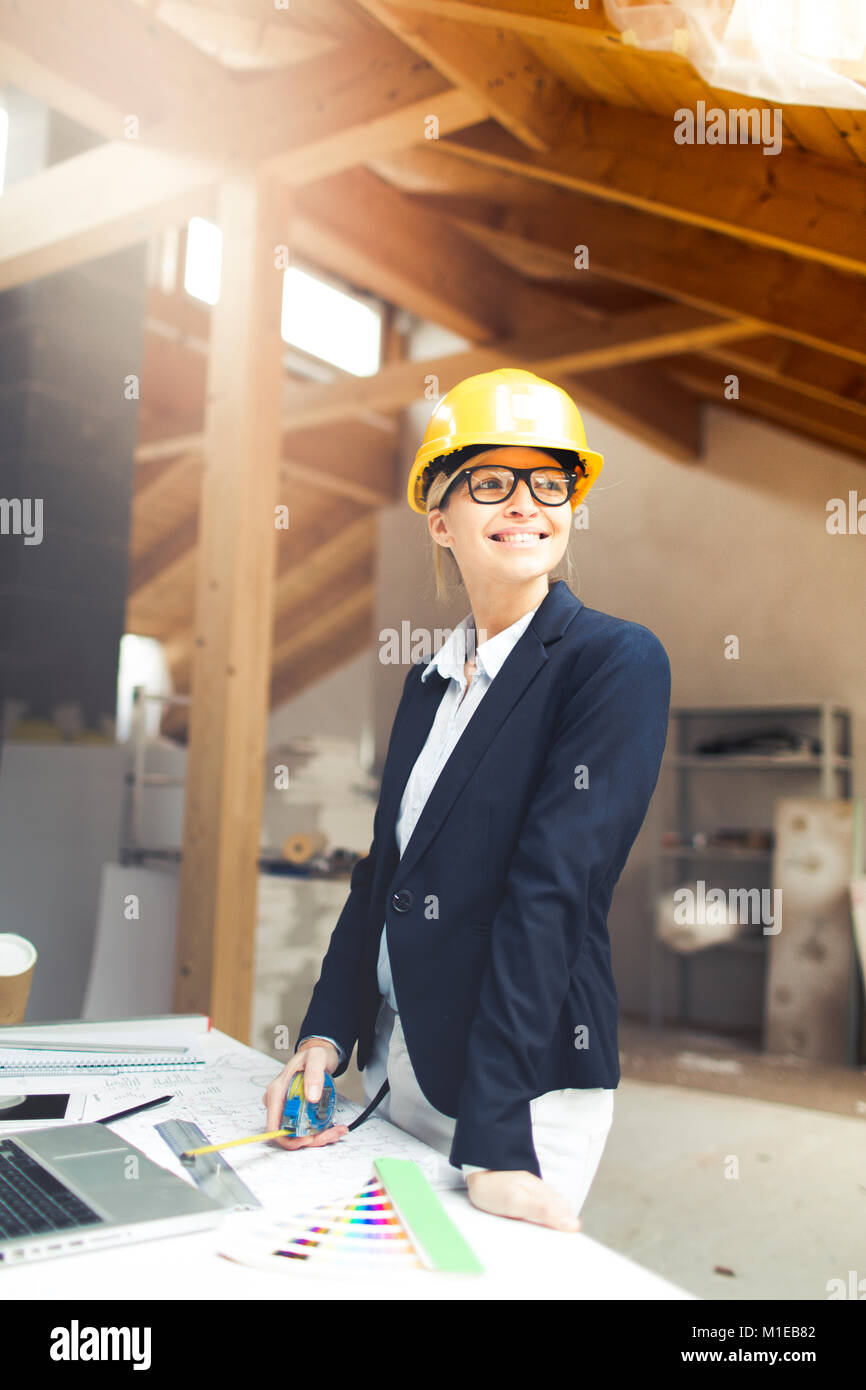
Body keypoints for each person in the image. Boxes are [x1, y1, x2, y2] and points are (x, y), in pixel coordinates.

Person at [264, 367, 671, 1232]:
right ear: (440, 519)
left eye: (549, 482)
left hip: (519, 1098)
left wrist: (495, 1139)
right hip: (398, 1073)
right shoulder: (431, 682)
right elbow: (382, 876)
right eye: (492, 482)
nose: (526, 503)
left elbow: (553, 891)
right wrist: (324, 1038)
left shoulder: (614, 663)